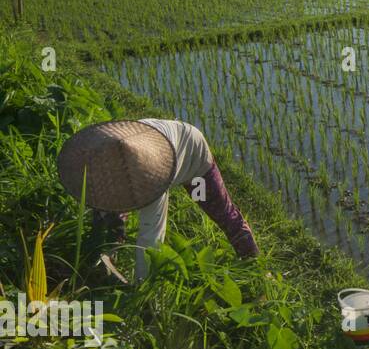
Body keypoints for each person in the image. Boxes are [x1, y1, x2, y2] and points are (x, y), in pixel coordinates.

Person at [57, 119, 260, 280]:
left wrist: (140, 286)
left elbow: (150, 237)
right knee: (109, 214)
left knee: (218, 209)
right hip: (150, 153)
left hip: (192, 153)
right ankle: (106, 267)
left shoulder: (151, 182)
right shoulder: (109, 152)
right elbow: (102, 211)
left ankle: (254, 263)